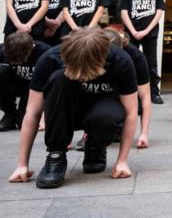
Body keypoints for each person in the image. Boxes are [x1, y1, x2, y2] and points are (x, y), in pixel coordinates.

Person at [8, 28, 138, 189]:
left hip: (101, 111)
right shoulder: (49, 59)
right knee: (58, 78)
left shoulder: (120, 60)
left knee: (108, 116)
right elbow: (32, 113)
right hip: (65, 111)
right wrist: (22, 165)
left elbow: (131, 112)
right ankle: (56, 155)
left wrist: (122, 161)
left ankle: (95, 145)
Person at [119, 0, 166, 104]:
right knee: (130, 61)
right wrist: (133, 31)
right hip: (131, 33)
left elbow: (158, 14)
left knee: (151, 63)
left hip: (150, 34)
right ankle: (131, 91)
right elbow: (124, 13)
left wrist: (146, 31)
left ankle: (154, 92)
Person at [102, 30, 153, 148]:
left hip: (126, 93)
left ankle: (120, 126)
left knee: (132, 103)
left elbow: (145, 97)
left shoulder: (136, 57)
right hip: (103, 89)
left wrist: (144, 134)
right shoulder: (93, 51)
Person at [0, 32, 51, 131]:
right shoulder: (5, 49)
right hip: (14, 85)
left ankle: (20, 116)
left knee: (23, 122)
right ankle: (9, 114)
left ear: (31, 48)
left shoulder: (46, 53)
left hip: (34, 89)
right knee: (2, 71)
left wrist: (44, 116)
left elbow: (52, 85)